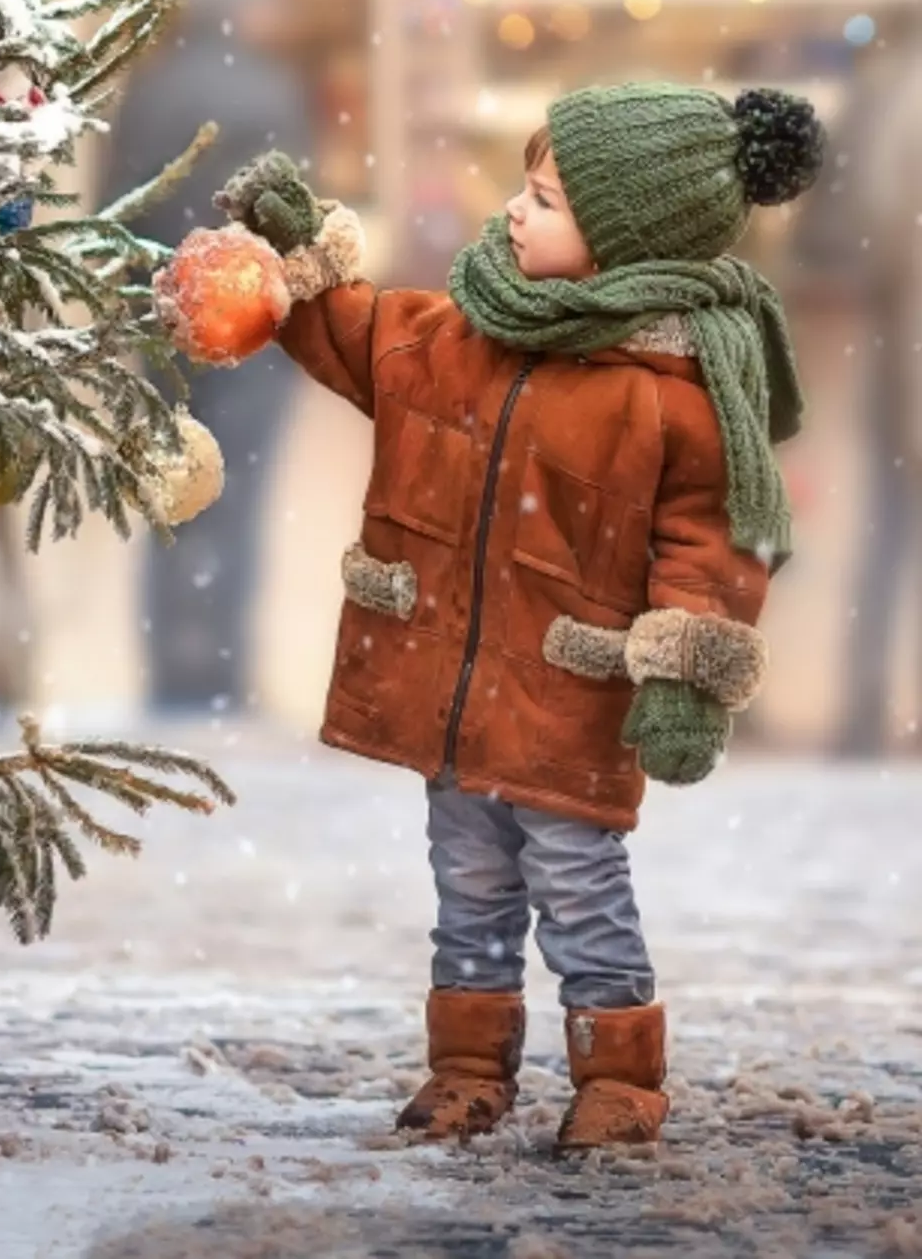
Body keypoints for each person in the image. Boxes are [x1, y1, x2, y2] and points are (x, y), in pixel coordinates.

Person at [204, 82, 823, 1149]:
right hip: (455, 687)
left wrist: (684, 675)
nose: (514, 214)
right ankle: (466, 1070)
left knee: (581, 890)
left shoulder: (673, 393)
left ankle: (620, 1076)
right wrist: (303, 255)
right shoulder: (464, 331)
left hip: (566, 697)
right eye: (525, 189)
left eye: (546, 199)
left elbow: (710, 544)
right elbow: (363, 341)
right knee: (469, 889)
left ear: (627, 244)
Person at [97, 0, 312, 712]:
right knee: (242, 492)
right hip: (253, 325)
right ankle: (222, 665)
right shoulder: (272, 92)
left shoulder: (149, 90)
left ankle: (170, 665)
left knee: (172, 486)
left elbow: (117, 206)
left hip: (170, 321)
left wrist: (137, 303)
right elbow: (294, 220)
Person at [791, 47, 922, 753]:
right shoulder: (901, 93)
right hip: (903, 353)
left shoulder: (898, 90)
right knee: (891, 531)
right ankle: (865, 703)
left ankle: (865, 705)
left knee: (888, 535)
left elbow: (874, 225)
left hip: (902, 351)